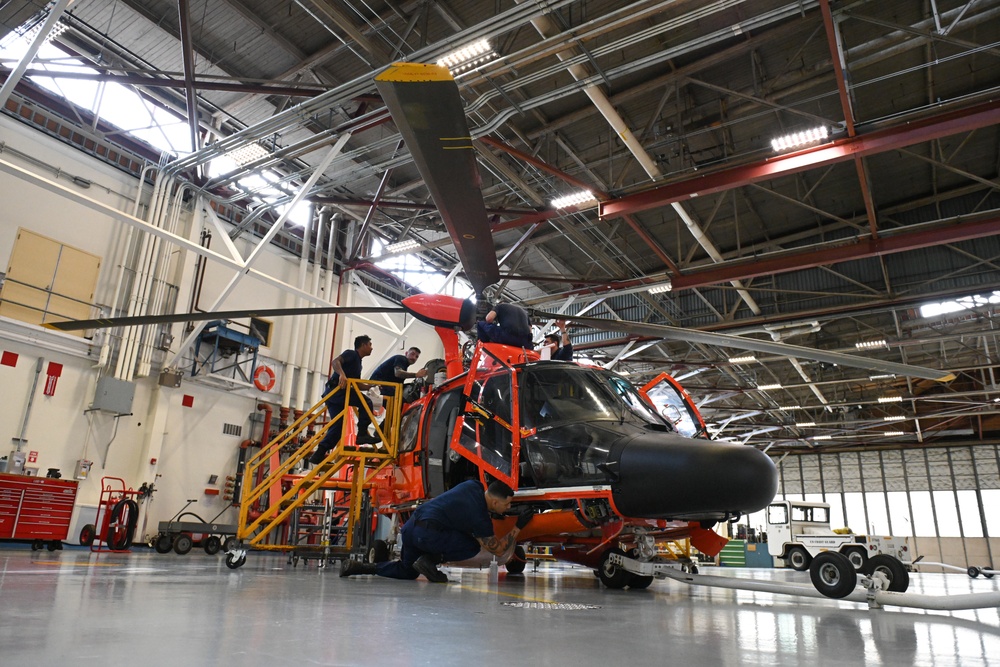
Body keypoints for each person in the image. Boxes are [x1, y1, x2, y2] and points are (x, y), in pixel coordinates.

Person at [340, 480, 533, 582]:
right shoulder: (480, 518)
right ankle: (429, 560)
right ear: (495, 502)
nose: (508, 508)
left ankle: (361, 567)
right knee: (472, 546)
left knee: (408, 571)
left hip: (411, 528)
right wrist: (518, 526)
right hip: (427, 535)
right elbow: (498, 550)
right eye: (507, 504)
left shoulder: (473, 486)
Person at [308, 335, 380, 464]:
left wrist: (371, 385)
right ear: (363, 345)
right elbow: (335, 362)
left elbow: (357, 385)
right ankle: (362, 433)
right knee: (366, 402)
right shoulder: (351, 354)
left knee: (339, 425)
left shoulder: (358, 363)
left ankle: (319, 454)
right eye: (370, 344)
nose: (372, 348)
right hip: (337, 392)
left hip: (337, 395)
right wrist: (342, 374)